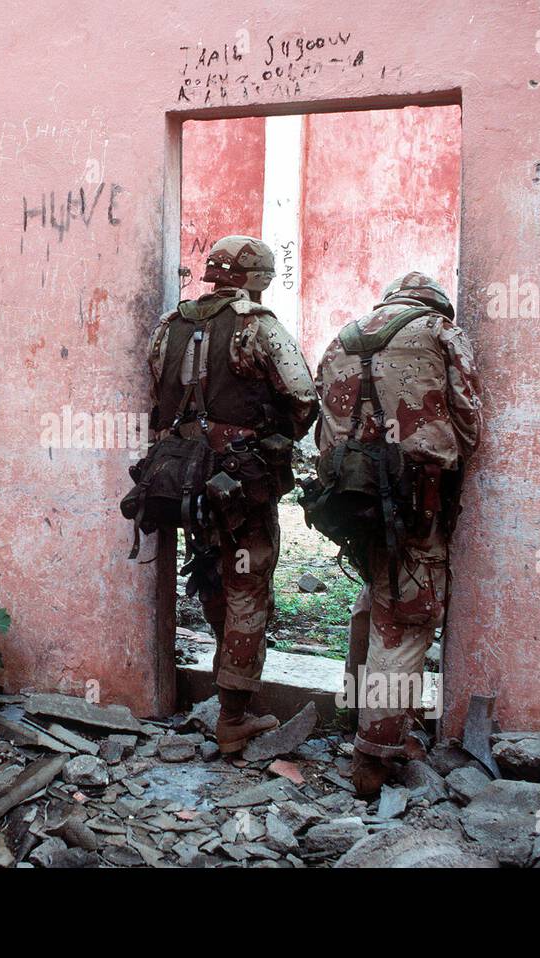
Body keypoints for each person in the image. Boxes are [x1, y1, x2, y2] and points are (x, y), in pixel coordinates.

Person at [310, 272, 481, 796]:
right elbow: (469, 420)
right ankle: (374, 756)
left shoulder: (344, 336)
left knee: (375, 596)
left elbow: (321, 429)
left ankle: (357, 713)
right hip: (415, 503)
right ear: (437, 304)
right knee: (406, 622)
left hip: (351, 503)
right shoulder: (440, 333)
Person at [146, 235, 318, 755]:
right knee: (248, 583)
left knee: (212, 576)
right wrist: (269, 432)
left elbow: (158, 390)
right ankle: (234, 716)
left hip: (182, 478)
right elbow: (303, 397)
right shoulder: (257, 326)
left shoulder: (169, 326)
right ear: (257, 277)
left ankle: (230, 693)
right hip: (242, 479)